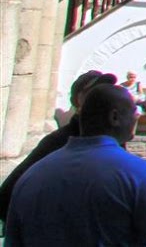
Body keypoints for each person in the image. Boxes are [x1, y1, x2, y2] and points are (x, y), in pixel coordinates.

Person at [1, 83, 146, 247]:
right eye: (133, 110)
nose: (137, 116)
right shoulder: (139, 174)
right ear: (114, 117)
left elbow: (13, 240)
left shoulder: (33, 175)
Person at [0, 70, 117, 220]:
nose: (101, 97)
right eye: (93, 92)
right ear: (77, 101)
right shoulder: (59, 141)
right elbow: (8, 195)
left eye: (106, 90)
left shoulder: (114, 140)